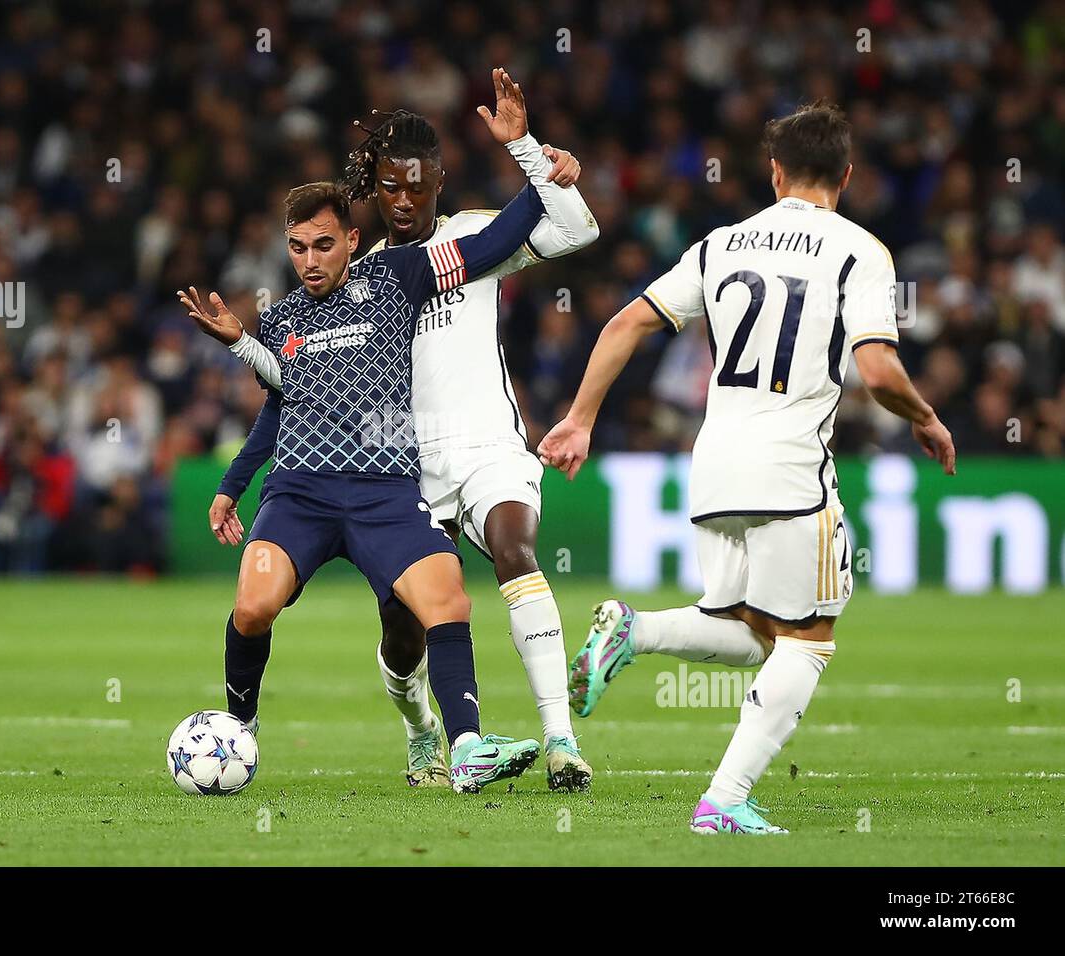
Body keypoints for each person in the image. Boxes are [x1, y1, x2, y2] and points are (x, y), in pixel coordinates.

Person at [539, 101, 957, 833]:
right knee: (809, 641)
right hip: (791, 469)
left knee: (754, 629)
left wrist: (579, 418)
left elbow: (625, 321)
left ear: (774, 172)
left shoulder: (722, 244)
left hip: (714, 465)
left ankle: (632, 633)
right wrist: (925, 418)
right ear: (847, 176)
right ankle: (724, 800)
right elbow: (879, 368)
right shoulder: (859, 250)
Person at [211, 69, 600, 791]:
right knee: (405, 628)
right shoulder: (361, 278)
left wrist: (532, 155)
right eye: (389, 186)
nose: (404, 199)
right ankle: (423, 730)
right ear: (372, 190)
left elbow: (577, 226)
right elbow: (290, 394)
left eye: (417, 186)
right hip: (401, 469)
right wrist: (239, 473)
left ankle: (560, 741)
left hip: (486, 445)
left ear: (439, 183)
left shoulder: (473, 237)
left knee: (515, 550)